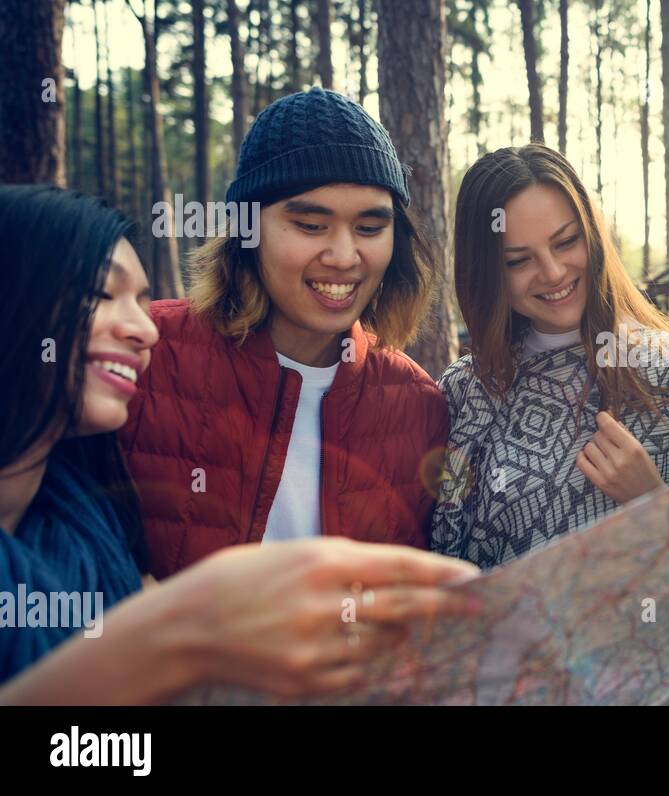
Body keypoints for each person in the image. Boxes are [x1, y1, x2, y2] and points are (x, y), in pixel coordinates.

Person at [0, 185, 480, 704]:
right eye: (101, 295)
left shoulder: (79, 521)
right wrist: (183, 629)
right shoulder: (153, 378)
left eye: (369, 227)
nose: (144, 329)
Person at [118, 87, 449, 579]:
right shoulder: (143, 351)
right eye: (311, 225)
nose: (344, 257)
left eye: (369, 228)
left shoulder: (419, 406)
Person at [431, 143, 669, 570]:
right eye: (518, 261)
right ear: (487, 272)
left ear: (592, 234)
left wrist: (653, 504)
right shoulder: (463, 391)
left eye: (566, 242)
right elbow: (440, 554)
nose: (553, 272)